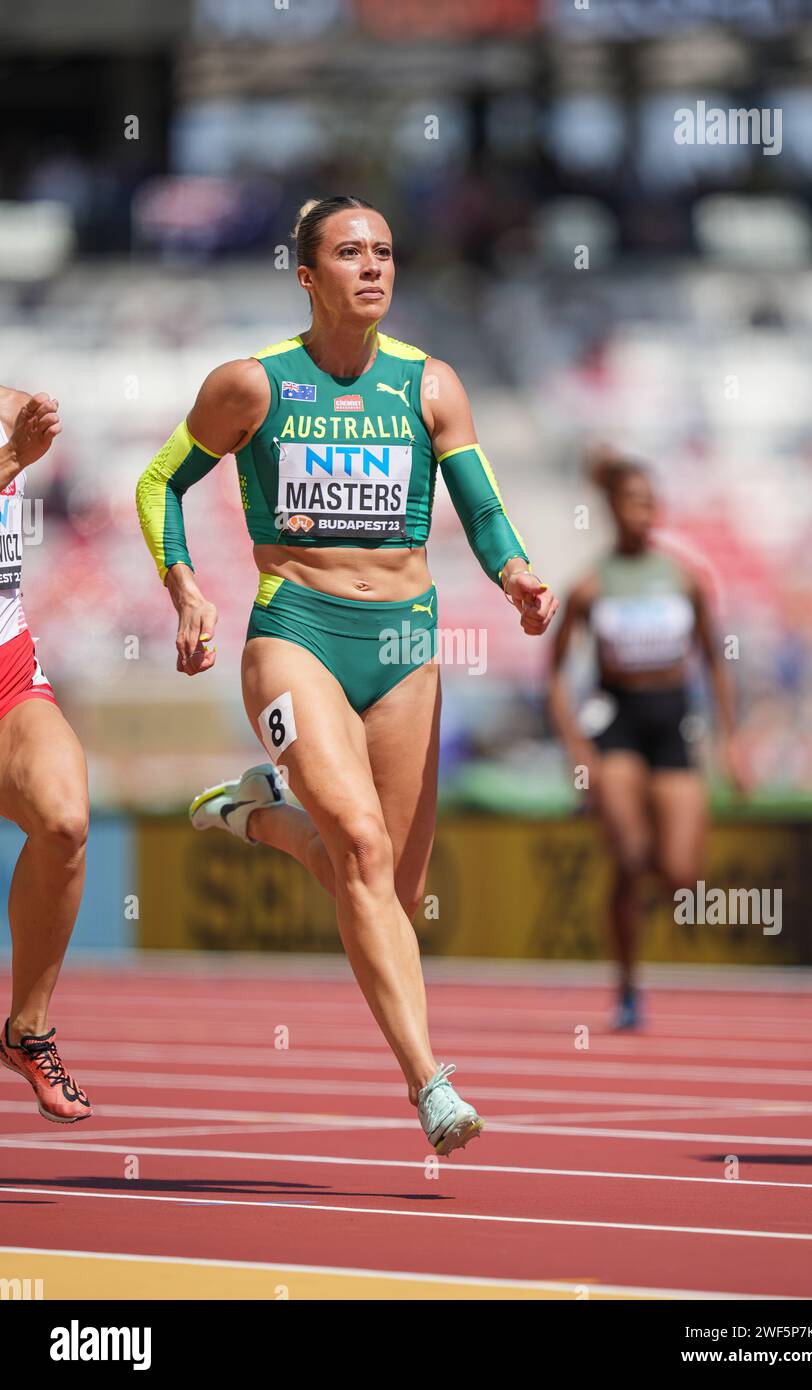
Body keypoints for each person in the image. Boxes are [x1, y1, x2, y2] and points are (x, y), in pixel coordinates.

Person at [136, 195, 558, 1153]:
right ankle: (430, 1085)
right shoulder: (252, 385)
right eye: (349, 253)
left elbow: (483, 508)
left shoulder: (430, 383)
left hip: (407, 642)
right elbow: (160, 480)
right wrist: (187, 592)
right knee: (362, 848)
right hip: (296, 632)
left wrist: (517, 571)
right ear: (307, 274)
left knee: (384, 895)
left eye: (385, 252)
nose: (373, 267)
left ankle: (256, 815)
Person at [548, 450, 747, 1030]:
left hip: (674, 724)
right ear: (612, 509)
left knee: (683, 875)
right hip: (617, 725)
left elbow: (715, 661)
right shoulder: (590, 586)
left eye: (649, 502)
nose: (642, 512)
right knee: (630, 857)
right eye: (631, 502)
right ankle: (628, 985)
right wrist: (576, 751)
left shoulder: (684, 578)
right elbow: (554, 674)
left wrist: (732, 743)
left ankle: (642, 895)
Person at [0, 387, 92, 1121]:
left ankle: (27, 1030)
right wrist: (11, 462)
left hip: (8, 669)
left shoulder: (14, 409)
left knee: (63, 820)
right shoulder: (15, 439)